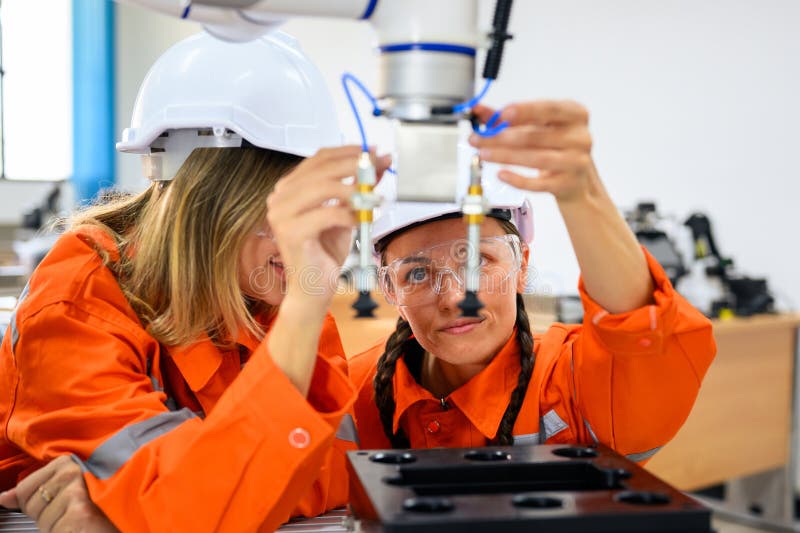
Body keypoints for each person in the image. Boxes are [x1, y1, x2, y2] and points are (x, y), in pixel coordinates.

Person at [0, 32, 390, 531]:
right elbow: (200, 511)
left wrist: (170, 490)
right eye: (289, 210)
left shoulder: (272, 297)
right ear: (211, 197)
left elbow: (329, 470)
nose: (303, 238)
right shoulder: (80, 299)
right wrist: (202, 486)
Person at [349, 101, 716, 458]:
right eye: (417, 273)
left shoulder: (569, 383)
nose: (454, 297)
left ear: (521, 265)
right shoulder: (350, 395)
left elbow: (641, 338)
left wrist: (581, 193)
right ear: (390, 290)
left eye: (477, 260)